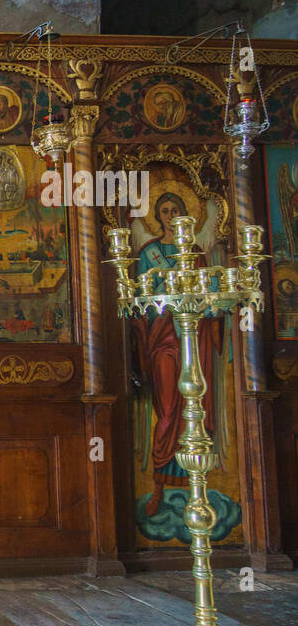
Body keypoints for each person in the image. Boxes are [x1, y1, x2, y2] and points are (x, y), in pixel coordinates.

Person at [132, 192, 222, 516]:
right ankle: (157, 487)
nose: (170, 216)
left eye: (176, 211)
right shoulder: (148, 254)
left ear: (187, 216)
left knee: (194, 410)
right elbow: (140, 303)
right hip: (161, 341)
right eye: (165, 211)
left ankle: (199, 489)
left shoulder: (196, 254)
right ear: (157, 216)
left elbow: (210, 299)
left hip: (192, 340)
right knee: (168, 411)